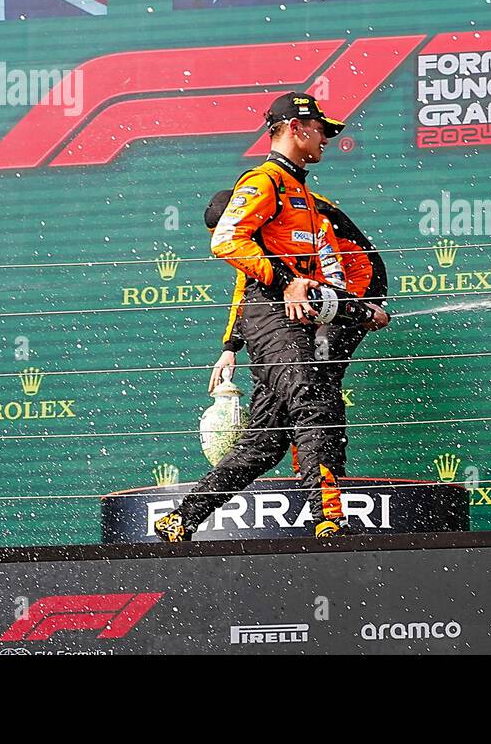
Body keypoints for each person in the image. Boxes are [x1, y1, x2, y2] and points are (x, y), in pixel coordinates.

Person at [154, 92, 388, 542]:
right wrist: (282, 289)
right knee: (315, 398)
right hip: (273, 311)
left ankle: (181, 519)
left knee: (266, 441)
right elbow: (227, 243)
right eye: (320, 129)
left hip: (293, 313)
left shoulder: (304, 193)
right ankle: (330, 520)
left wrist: (357, 308)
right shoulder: (265, 181)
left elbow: (330, 271)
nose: (326, 139)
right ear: (297, 129)